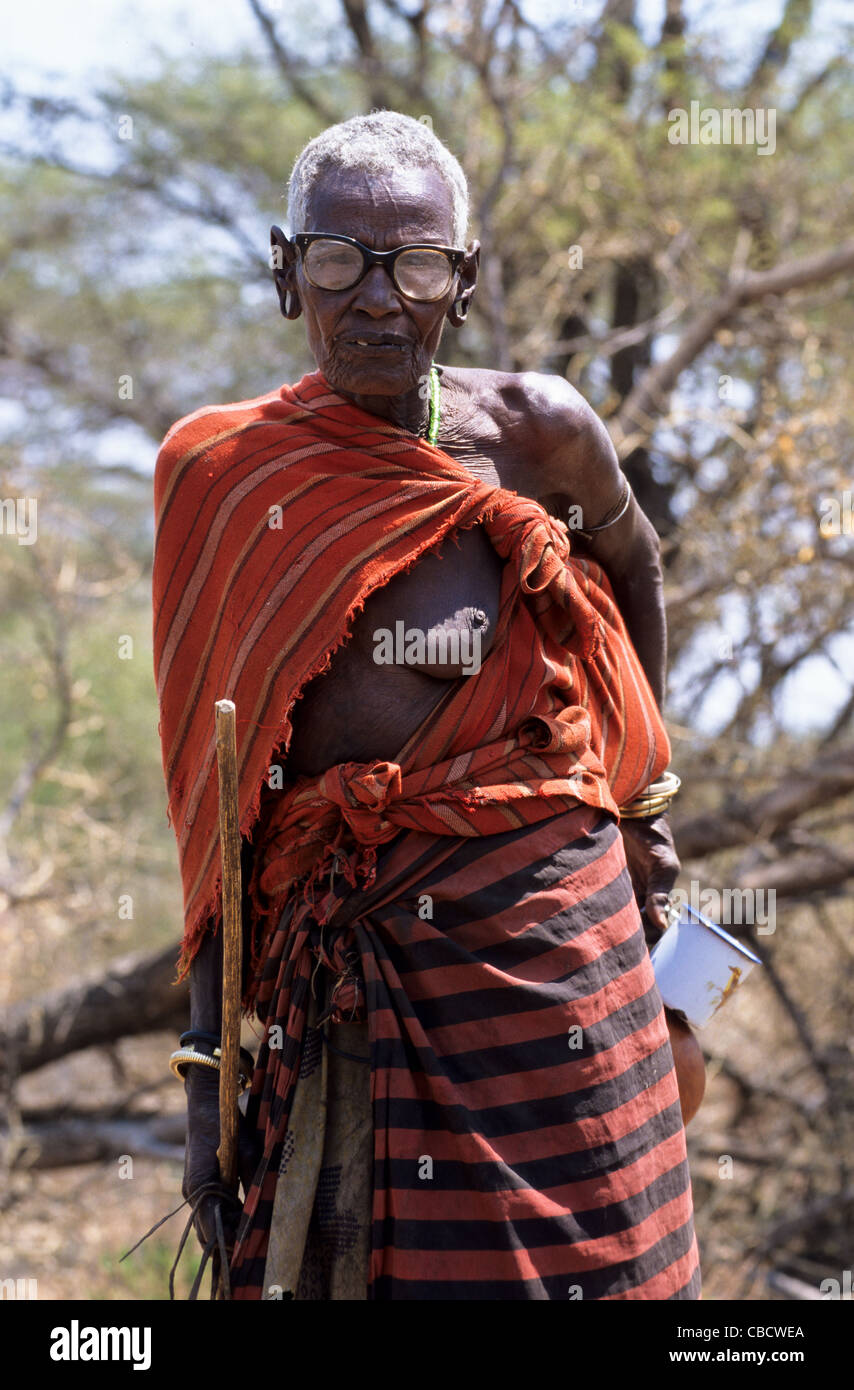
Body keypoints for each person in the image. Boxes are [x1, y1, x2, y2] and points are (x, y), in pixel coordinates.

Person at [153, 110, 704, 1301]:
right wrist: (206, 1083)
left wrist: (646, 802)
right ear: (284, 267)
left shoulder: (539, 431)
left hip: (549, 947)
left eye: (414, 264)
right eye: (339, 259)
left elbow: (634, 569)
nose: (375, 298)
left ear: (458, 284)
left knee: (587, 1262)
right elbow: (213, 815)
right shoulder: (221, 474)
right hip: (340, 965)